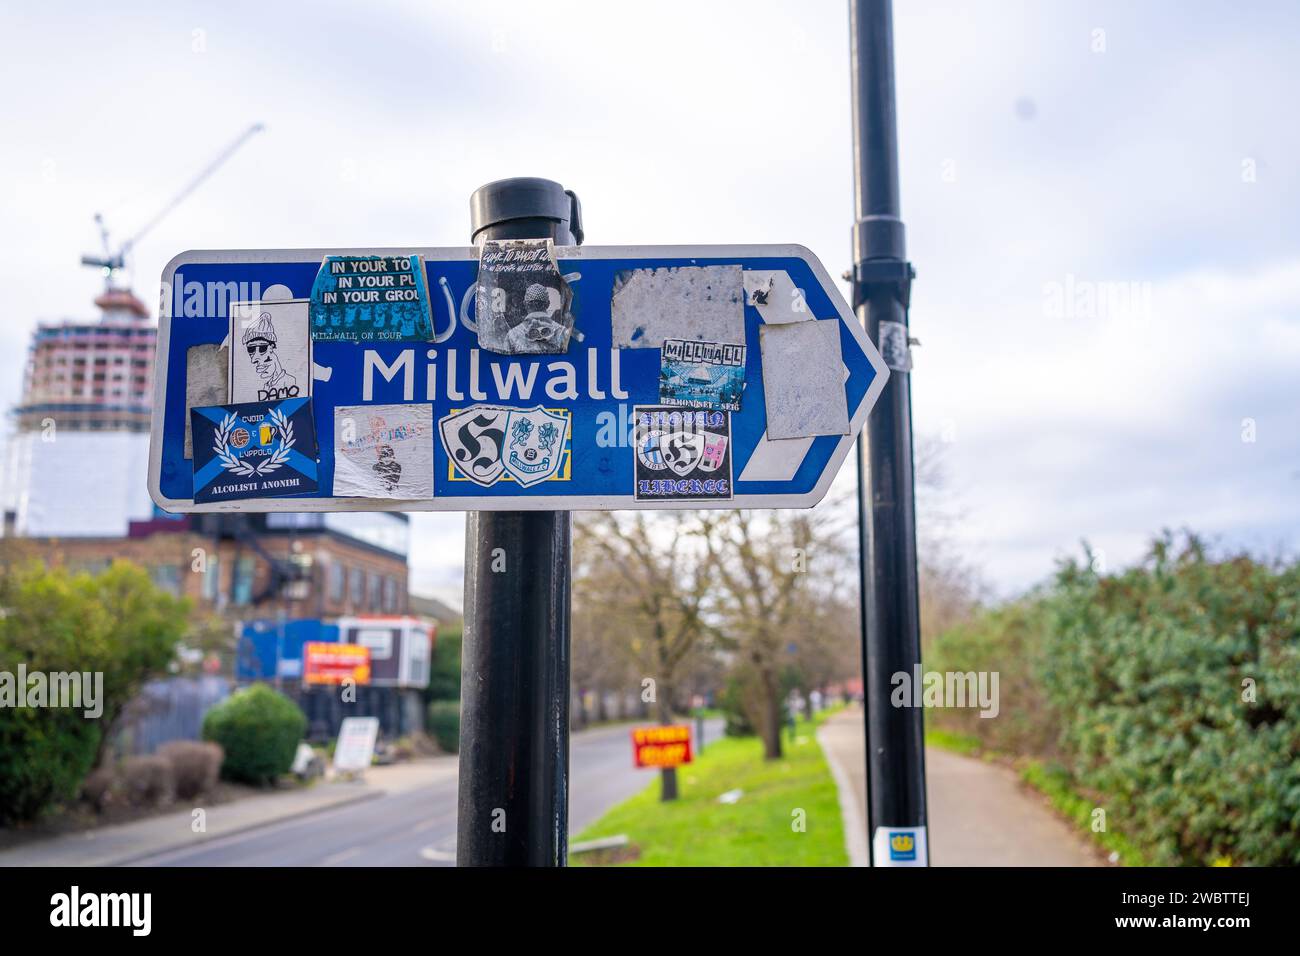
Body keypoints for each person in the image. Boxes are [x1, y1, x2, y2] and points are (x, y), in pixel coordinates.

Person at [242, 312, 298, 397]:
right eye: (251, 349)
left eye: (262, 348)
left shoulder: (290, 381)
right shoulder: (266, 386)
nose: (253, 360)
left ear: (271, 347)